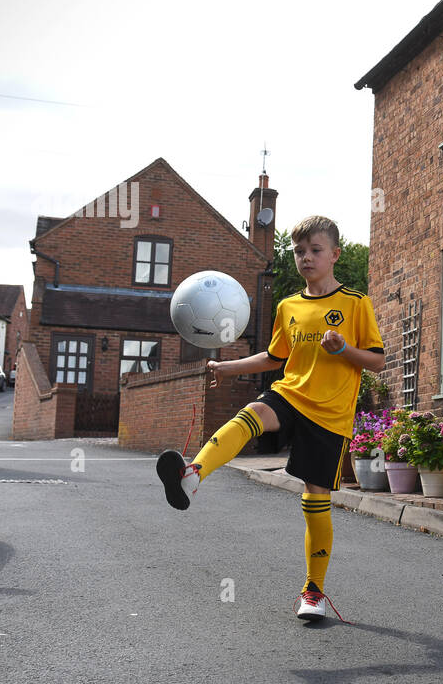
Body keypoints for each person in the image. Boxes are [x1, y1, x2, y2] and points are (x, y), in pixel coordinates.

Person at [156, 215, 385, 620]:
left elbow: (378, 362)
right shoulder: (288, 307)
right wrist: (227, 368)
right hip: (290, 393)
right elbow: (276, 358)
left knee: (315, 499)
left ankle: (312, 593)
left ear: (334, 254)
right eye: (299, 251)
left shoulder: (354, 303)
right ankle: (192, 476)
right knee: (252, 414)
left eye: (315, 250)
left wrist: (344, 350)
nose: (306, 258)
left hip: (330, 415)